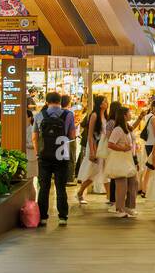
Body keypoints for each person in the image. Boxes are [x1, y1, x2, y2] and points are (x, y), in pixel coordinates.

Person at [34, 92, 76, 226]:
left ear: (47, 102)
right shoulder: (68, 115)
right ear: (60, 102)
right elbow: (72, 135)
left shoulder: (40, 115)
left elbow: (35, 137)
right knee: (60, 187)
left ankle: (43, 217)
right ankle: (62, 217)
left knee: (44, 187)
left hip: (44, 155)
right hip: (61, 154)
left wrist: (38, 153)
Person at [103, 103, 139, 218]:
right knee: (121, 185)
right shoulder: (118, 129)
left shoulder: (126, 127)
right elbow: (110, 144)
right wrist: (123, 148)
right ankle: (119, 208)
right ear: (124, 115)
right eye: (129, 113)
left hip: (127, 159)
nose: (130, 115)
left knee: (133, 183)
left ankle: (128, 207)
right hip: (119, 159)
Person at [76, 94, 107, 205]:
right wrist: (93, 151)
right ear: (99, 104)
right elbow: (90, 135)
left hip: (102, 146)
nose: (106, 103)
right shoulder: (94, 115)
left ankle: (110, 198)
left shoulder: (105, 116)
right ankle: (80, 192)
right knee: (93, 171)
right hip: (94, 145)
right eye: (104, 101)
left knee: (103, 171)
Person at [136, 96, 155, 197]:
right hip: (153, 145)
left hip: (149, 144)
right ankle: (146, 190)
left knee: (149, 168)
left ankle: (145, 189)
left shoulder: (148, 116)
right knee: (152, 167)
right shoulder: (154, 119)